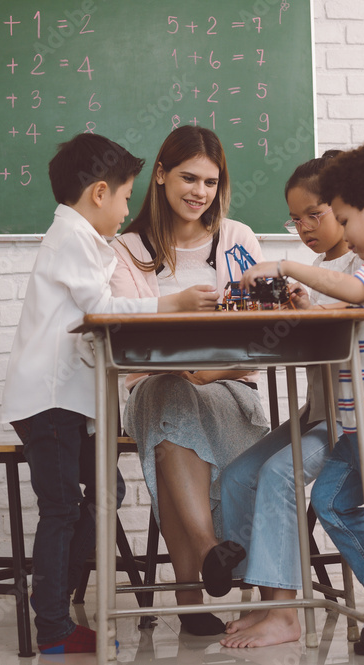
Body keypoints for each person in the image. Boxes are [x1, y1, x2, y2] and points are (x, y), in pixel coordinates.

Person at [2, 133, 217, 654]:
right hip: (50, 401)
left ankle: (55, 599)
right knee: (62, 508)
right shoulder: (71, 237)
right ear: (100, 192)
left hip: (67, 403)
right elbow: (101, 310)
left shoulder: (80, 238)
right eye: (124, 197)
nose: (126, 210)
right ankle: (52, 625)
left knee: (105, 494)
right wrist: (171, 304)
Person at [239, 141, 364, 656]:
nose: (344, 234)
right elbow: (348, 309)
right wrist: (309, 305)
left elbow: (352, 293)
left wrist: (286, 265)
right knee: (330, 501)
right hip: (363, 420)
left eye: (345, 221)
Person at [110, 126, 270, 636]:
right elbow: (121, 336)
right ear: (160, 175)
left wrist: (211, 371)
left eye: (210, 181)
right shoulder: (125, 250)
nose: (200, 192)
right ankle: (208, 551)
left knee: (170, 420)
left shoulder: (238, 239)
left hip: (228, 392)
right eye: (188, 178)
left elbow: (263, 338)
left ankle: (191, 595)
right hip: (153, 391)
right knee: (166, 395)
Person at [218, 150, 363, 648]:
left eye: (313, 215)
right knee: (238, 475)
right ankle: (268, 600)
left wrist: (306, 303)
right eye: (295, 219)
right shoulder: (321, 266)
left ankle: (285, 614)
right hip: (318, 412)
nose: (304, 228)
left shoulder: (359, 263)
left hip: (349, 417)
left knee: (279, 474)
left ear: (342, 207)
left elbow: (347, 321)